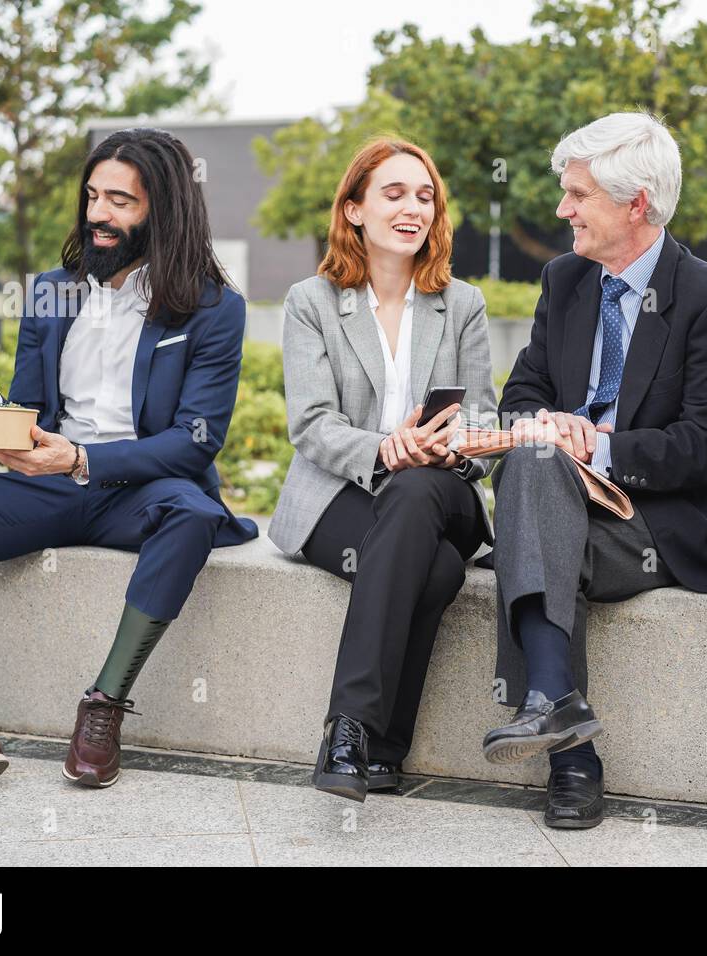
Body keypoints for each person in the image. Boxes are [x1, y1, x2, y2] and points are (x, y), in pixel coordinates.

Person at [0, 127, 257, 798]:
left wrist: (80, 457)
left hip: (144, 491)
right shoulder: (52, 291)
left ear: (163, 210)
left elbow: (196, 441)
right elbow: (30, 423)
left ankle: (104, 706)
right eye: (93, 197)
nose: (99, 215)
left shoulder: (214, 309)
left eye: (121, 202)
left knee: (192, 514)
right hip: (53, 487)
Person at [483, 112, 707, 830]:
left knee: (538, 524)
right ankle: (567, 737)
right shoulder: (565, 281)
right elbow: (523, 392)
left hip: (662, 519)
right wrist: (548, 425)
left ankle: (567, 748)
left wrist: (594, 445)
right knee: (534, 462)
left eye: (578, 195)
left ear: (637, 204)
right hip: (562, 500)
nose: (562, 210)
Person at [267, 139, 497, 803]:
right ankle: (385, 750)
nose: (413, 208)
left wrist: (450, 441)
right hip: (340, 495)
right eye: (394, 193)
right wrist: (382, 448)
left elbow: (482, 417)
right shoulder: (311, 302)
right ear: (354, 209)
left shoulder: (463, 304)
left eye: (424, 196)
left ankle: (347, 727)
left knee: (422, 485)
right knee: (437, 569)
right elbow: (312, 425)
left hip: (443, 490)